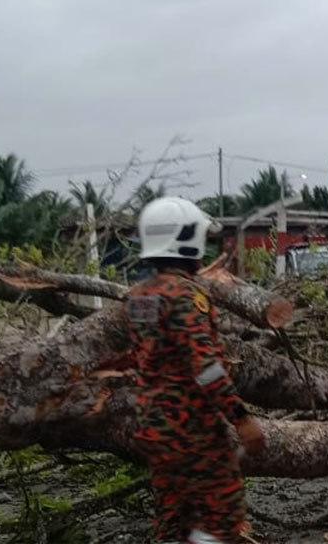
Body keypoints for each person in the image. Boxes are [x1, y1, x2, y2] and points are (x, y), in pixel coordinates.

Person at [128, 197, 266, 544]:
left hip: (152, 426)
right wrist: (241, 418)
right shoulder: (186, 295)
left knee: (172, 513)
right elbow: (205, 368)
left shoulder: (138, 296)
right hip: (192, 427)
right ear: (187, 239)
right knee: (223, 514)